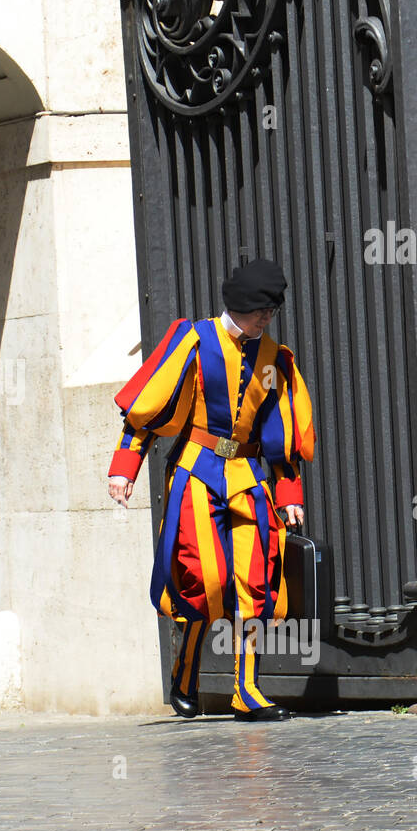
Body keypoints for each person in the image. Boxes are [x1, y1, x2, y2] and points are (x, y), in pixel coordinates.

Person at [107, 259, 315, 720]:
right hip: (196, 470)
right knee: (209, 579)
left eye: (271, 310)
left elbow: (282, 434)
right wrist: (125, 466)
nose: (266, 317)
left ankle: (247, 690)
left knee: (255, 582)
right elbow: (148, 407)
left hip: (248, 476)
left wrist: (289, 494)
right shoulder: (194, 339)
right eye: (260, 309)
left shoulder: (275, 359)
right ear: (239, 305)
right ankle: (186, 671)